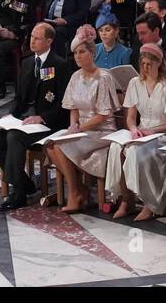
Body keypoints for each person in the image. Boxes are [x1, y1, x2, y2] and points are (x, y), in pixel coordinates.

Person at [0, 23, 73, 210]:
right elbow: (19, 98)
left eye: (37, 38)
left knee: (14, 137)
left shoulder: (60, 65)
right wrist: (10, 115)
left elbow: (64, 102)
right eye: (32, 37)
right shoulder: (27, 62)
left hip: (49, 123)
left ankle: (19, 193)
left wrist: (42, 117)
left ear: (49, 41)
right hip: (26, 120)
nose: (32, 41)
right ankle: (27, 185)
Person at [107, 43, 166, 220]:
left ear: (159, 63)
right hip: (143, 131)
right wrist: (134, 129)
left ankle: (150, 203)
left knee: (136, 151)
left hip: (165, 135)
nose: (145, 68)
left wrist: (152, 131)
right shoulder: (135, 83)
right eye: (143, 64)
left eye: (149, 64)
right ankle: (127, 199)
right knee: (115, 147)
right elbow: (130, 116)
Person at [47, 37, 119, 213]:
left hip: (101, 130)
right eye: (75, 53)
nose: (78, 56)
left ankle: (74, 194)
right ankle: (80, 188)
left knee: (60, 146)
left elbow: (103, 115)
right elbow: (73, 108)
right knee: (49, 145)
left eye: (82, 52)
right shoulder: (75, 76)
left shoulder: (103, 77)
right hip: (81, 129)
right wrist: (73, 126)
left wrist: (78, 129)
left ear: (92, 53)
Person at [93, 4, 131, 68]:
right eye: (101, 30)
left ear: (116, 31)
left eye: (107, 30)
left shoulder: (124, 52)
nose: (103, 33)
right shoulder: (94, 49)